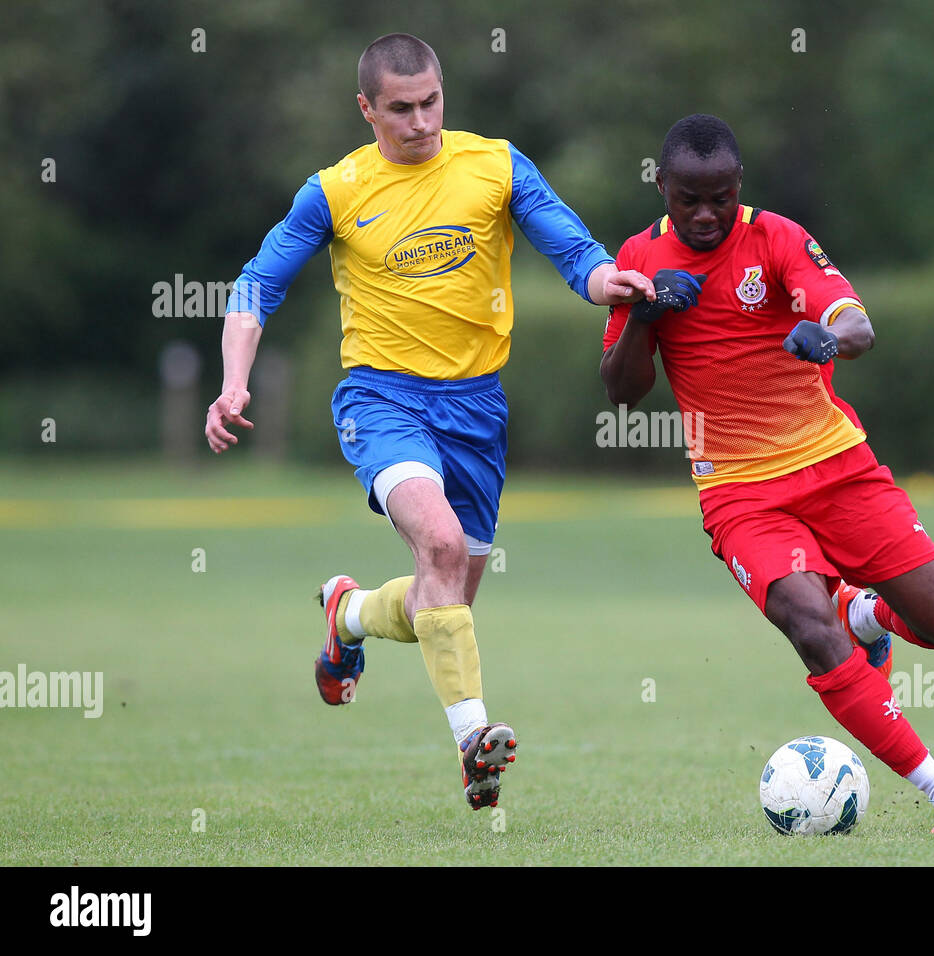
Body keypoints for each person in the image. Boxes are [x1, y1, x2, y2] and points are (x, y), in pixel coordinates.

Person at [204, 33, 653, 811]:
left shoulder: (496, 166)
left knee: (439, 602)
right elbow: (253, 288)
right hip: (383, 400)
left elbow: (574, 249)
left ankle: (346, 612)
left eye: (431, 102)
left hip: (477, 409)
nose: (420, 122)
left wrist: (609, 280)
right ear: (367, 110)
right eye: (401, 109)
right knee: (440, 545)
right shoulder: (335, 191)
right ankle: (473, 744)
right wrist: (233, 382)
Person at [600, 114, 934, 832]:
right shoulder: (637, 257)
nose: (707, 213)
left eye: (721, 196)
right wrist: (647, 314)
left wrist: (824, 336)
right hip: (739, 493)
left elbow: (858, 325)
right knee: (809, 626)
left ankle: (865, 612)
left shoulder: (776, 236)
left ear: (739, 185)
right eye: (690, 199)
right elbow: (622, 392)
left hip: (838, 468)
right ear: (662, 188)